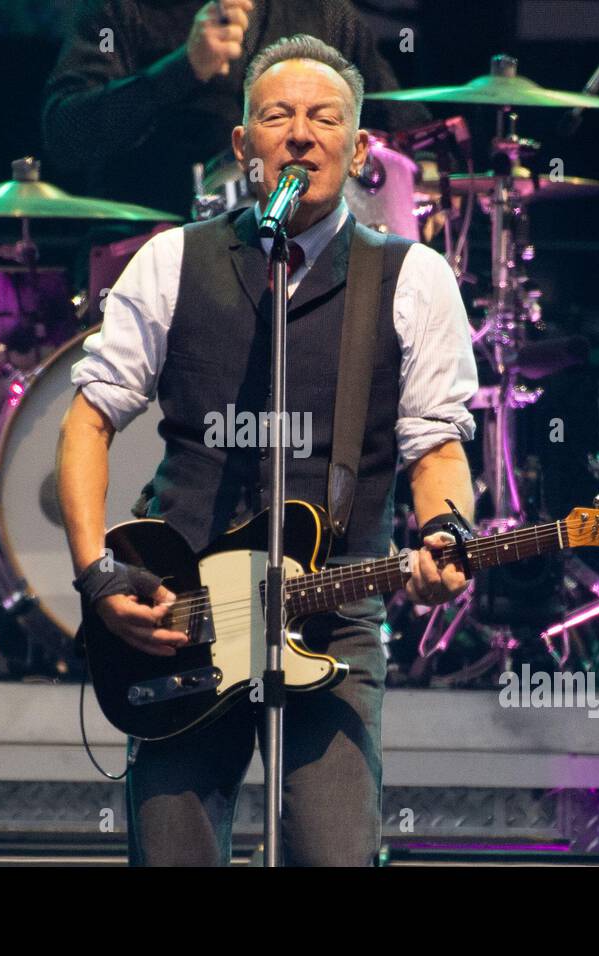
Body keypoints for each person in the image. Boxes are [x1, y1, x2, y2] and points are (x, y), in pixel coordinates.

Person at [57, 34, 477, 866]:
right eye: (277, 116)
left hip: (332, 610)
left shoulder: (413, 277)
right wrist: (98, 575)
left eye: (324, 119)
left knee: (333, 853)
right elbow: (87, 420)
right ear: (242, 145)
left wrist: (445, 533)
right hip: (182, 615)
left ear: (358, 150)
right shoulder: (174, 259)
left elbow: (436, 445)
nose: (300, 134)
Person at [41, 0, 429, 214]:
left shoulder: (326, 14)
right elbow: (65, 136)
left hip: (310, 262)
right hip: (153, 255)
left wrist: (430, 176)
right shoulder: (121, 11)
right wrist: (182, 70)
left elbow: (403, 126)